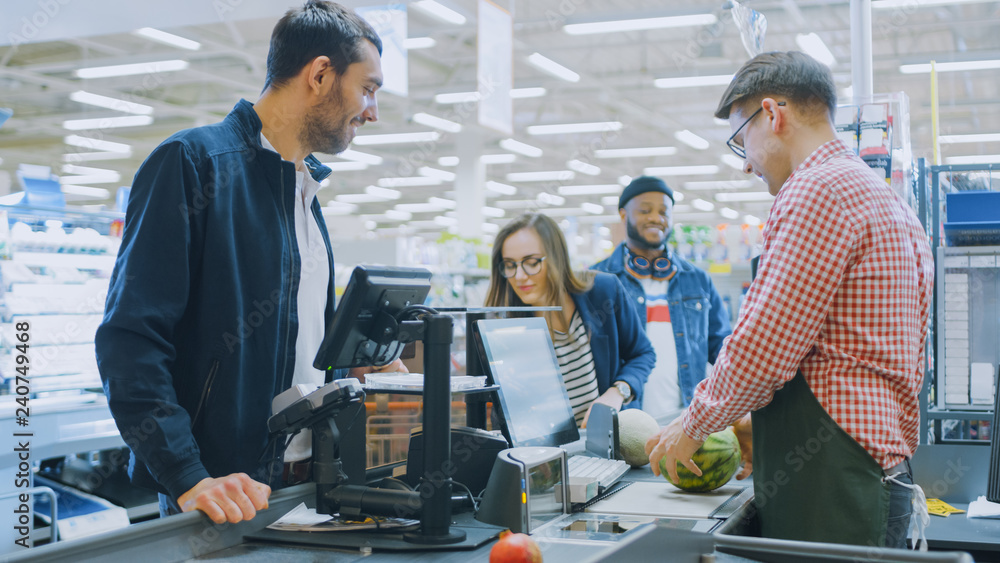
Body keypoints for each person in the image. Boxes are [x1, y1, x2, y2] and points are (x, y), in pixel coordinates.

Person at [95, 1, 399, 525]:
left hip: (310, 481)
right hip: (224, 494)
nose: (372, 110)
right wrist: (188, 476)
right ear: (321, 74)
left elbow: (293, 345)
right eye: (368, 88)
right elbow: (130, 340)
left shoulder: (304, 189)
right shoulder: (192, 164)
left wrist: (355, 370)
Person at [645, 51, 933, 549]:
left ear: (773, 115)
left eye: (741, 141)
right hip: (874, 470)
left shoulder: (814, 191)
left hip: (835, 486)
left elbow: (762, 347)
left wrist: (692, 427)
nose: (745, 166)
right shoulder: (883, 197)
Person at [484, 212, 655, 427]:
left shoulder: (603, 292)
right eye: (510, 265)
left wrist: (617, 393)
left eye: (531, 262)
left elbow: (642, 353)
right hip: (545, 453)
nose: (519, 276)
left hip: (607, 445)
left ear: (556, 258)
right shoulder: (506, 327)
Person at [592, 176, 731, 418]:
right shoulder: (599, 280)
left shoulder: (697, 280)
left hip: (687, 421)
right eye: (645, 210)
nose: (656, 218)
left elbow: (721, 348)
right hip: (625, 421)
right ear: (624, 216)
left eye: (664, 212)